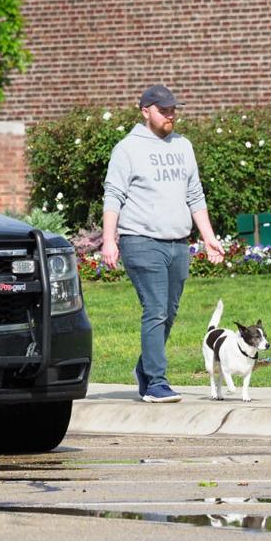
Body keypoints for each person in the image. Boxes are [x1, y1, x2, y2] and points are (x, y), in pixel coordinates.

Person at [101, 84, 225, 403]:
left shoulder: (183, 146)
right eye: (163, 110)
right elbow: (113, 195)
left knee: (168, 313)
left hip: (177, 242)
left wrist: (209, 238)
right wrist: (108, 240)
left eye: (173, 110)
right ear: (145, 111)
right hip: (141, 241)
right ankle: (156, 381)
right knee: (154, 310)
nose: (170, 116)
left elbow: (195, 195)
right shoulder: (127, 149)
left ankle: (144, 369)